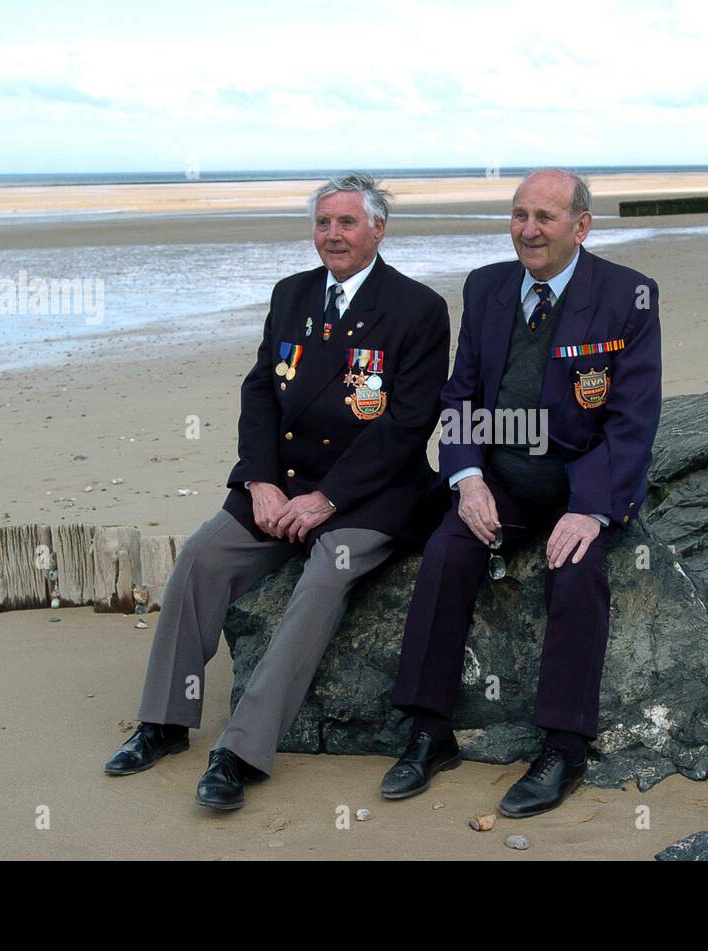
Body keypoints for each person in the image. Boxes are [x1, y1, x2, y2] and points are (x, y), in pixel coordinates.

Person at [104, 172, 450, 811]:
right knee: (201, 558)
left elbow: (406, 424)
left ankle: (240, 751)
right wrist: (260, 483)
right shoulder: (291, 295)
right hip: (281, 482)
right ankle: (164, 721)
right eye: (323, 223)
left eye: (347, 222)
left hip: (370, 493)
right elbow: (261, 390)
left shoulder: (418, 309)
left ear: (377, 228)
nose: (333, 235)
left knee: (322, 579)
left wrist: (327, 501)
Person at [382, 168, 661, 818]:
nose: (528, 229)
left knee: (574, 569)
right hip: (501, 479)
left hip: (580, 481)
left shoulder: (627, 296)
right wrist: (467, 477)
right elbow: (461, 396)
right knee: (448, 548)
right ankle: (429, 730)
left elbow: (632, 417)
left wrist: (592, 509)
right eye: (518, 215)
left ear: (581, 226)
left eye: (544, 216)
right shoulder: (485, 288)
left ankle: (564, 746)